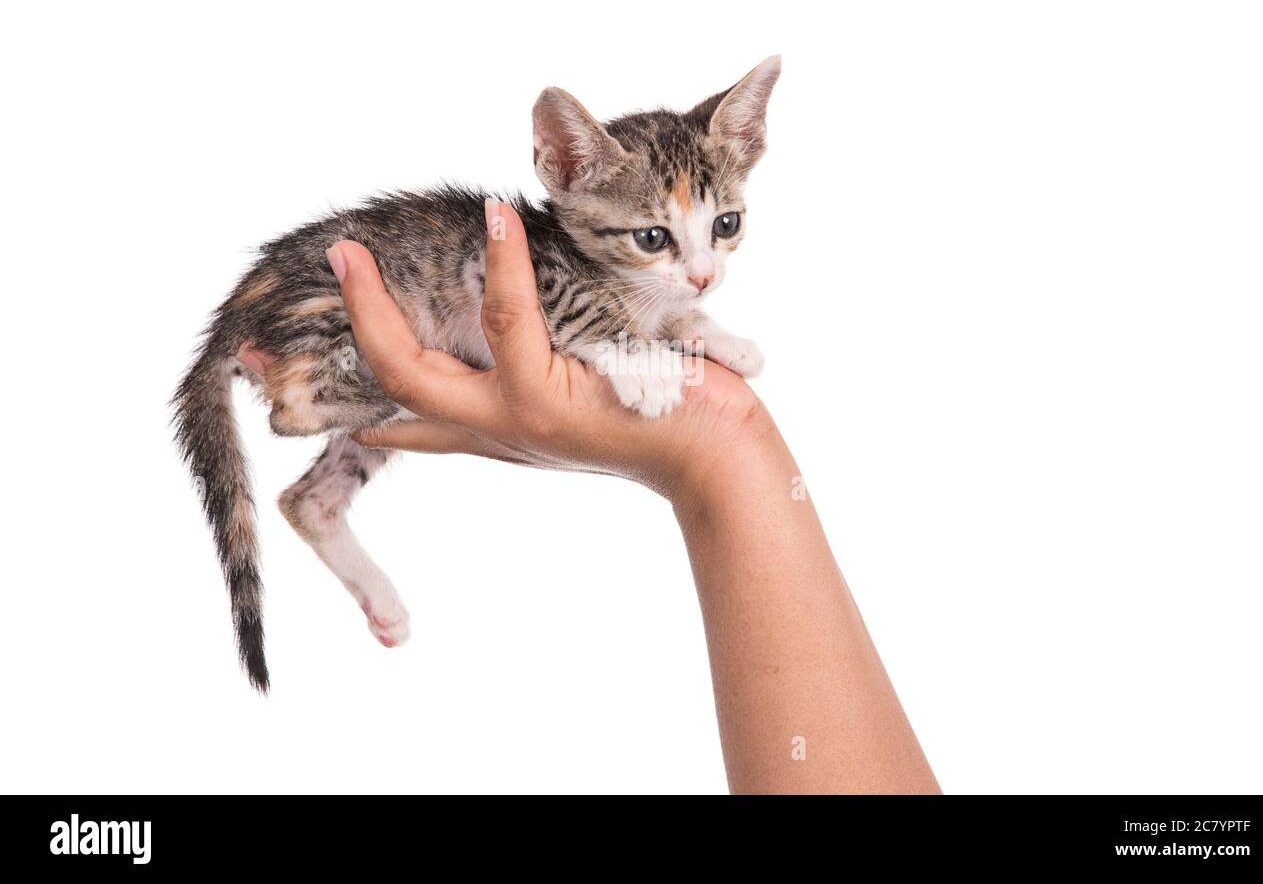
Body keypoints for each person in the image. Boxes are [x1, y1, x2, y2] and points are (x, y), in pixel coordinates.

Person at [248, 200, 940, 794]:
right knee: (383, 385)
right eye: (657, 238)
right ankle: (311, 398)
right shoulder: (566, 259)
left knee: (394, 400)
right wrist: (629, 354)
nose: (704, 272)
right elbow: (570, 307)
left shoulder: (645, 282)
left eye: (723, 226)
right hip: (348, 304)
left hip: (401, 335)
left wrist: (712, 406)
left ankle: (322, 499)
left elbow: (640, 317)